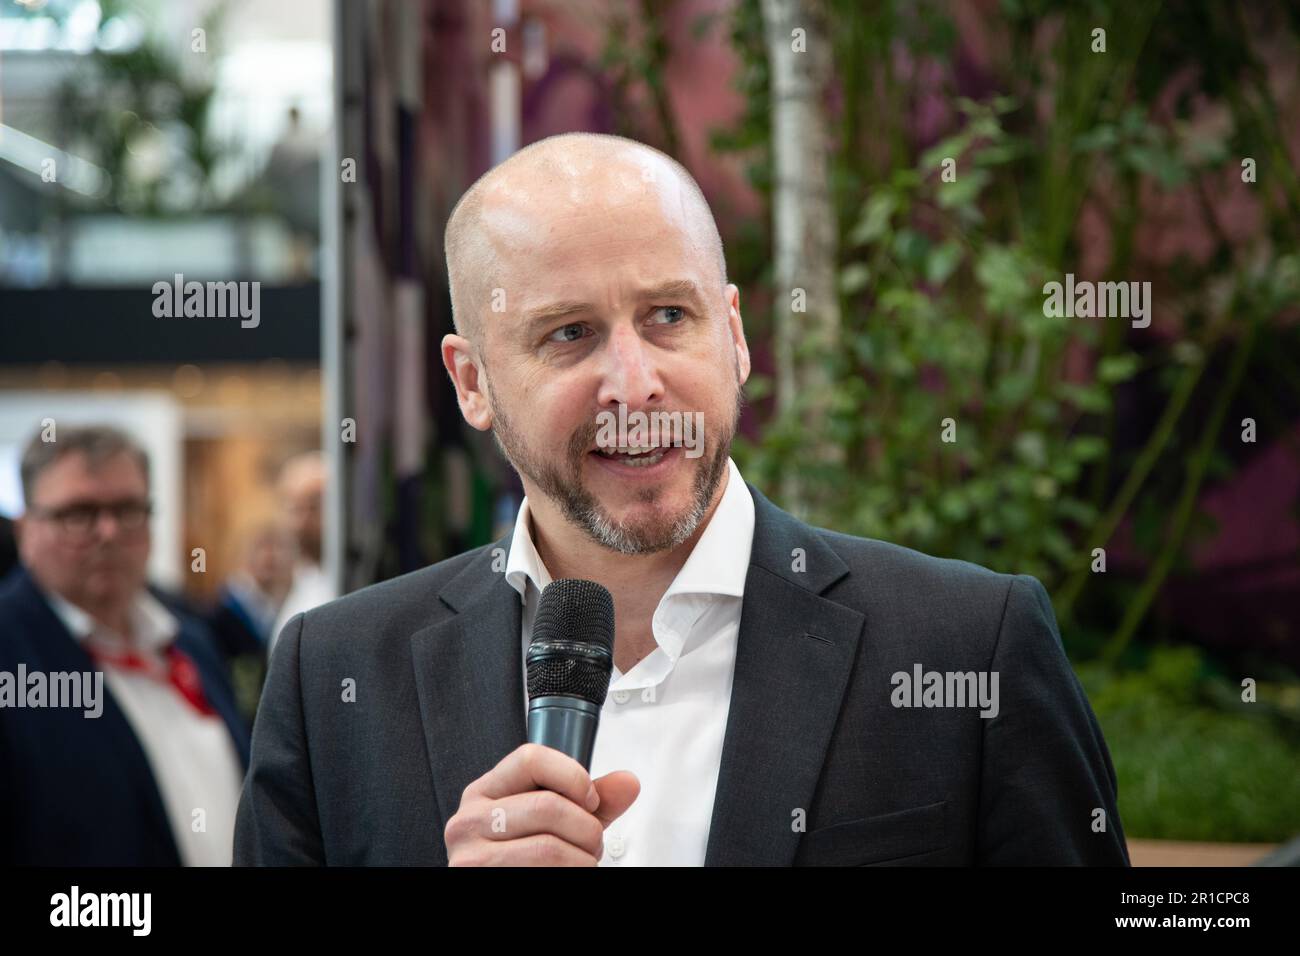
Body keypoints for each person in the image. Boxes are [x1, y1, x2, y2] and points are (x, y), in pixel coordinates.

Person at [235, 132, 1129, 866]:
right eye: (570, 333)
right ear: (472, 382)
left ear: (733, 335)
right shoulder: (332, 677)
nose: (636, 383)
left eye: (669, 317)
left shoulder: (971, 644)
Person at [0, 424, 249, 865]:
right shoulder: (12, 653)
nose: (110, 532)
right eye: (79, 513)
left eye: (129, 509)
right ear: (25, 531)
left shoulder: (189, 641)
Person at [266, 451, 335, 655]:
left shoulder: (343, 580)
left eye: (313, 508)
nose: (300, 523)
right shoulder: (304, 580)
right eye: (293, 508)